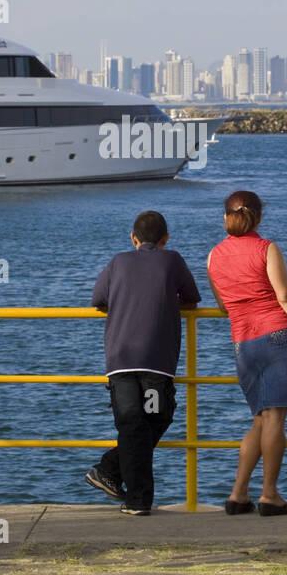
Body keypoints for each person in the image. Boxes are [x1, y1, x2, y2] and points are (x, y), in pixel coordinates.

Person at [207, 190, 287, 516]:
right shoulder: (266, 249)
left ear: (226, 216)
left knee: (259, 418)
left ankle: (238, 494)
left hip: (242, 343)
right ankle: (269, 494)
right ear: (257, 216)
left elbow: (223, 306)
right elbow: (284, 296)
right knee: (274, 419)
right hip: (277, 337)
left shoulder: (213, 256)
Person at [86, 210, 201, 515]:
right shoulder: (172, 260)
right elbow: (191, 298)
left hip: (121, 359)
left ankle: (110, 471)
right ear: (165, 239)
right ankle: (136, 499)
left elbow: (98, 299)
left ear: (133, 238)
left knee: (132, 425)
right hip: (156, 361)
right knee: (154, 419)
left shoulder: (118, 262)